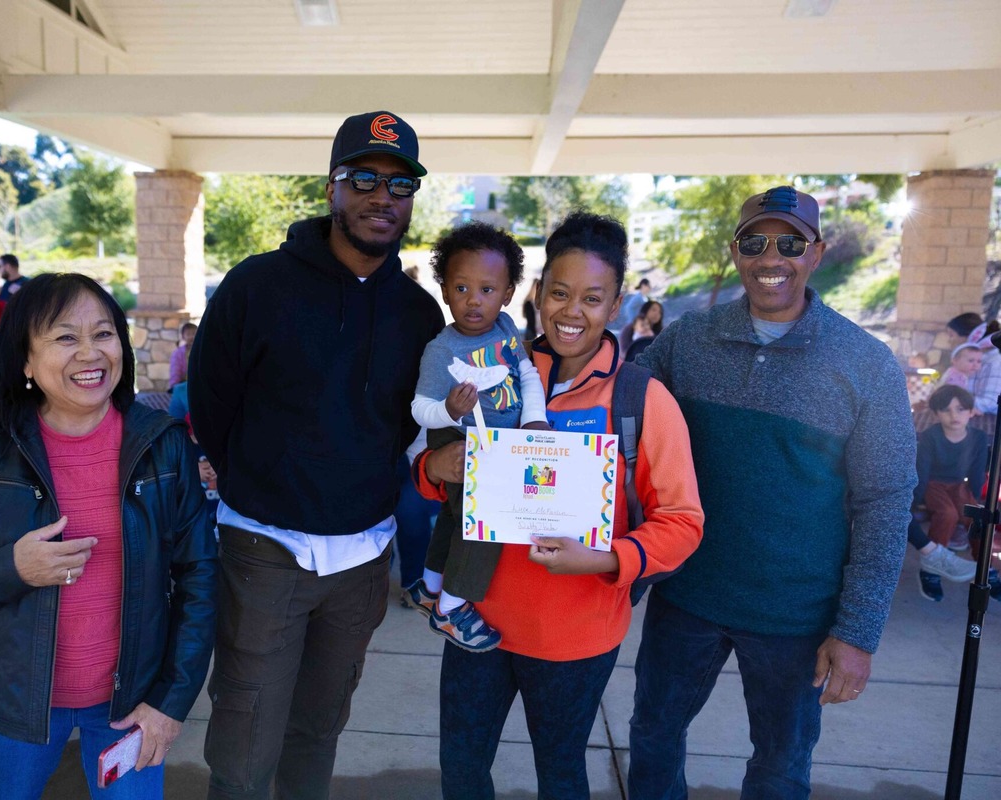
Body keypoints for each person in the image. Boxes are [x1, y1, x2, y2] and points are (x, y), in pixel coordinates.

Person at [628, 185, 917, 800]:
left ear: (815, 252)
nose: (772, 257)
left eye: (791, 243)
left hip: (798, 618)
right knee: (653, 739)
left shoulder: (866, 363)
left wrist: (858, 632)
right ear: (736, 252)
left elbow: (885, 504)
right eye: (755, 242)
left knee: (780, 770)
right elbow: (612, 407)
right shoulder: (688, 340)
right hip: (688, 596)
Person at [190, 109, 444, 800]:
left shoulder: (420, 315)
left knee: (319, 730)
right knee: (244, 744)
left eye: (399, 186)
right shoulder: (257, 285)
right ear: (332, 186)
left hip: (363, 558)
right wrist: (266, 481)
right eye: (364, 178)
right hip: (264, 548)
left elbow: (403, 427)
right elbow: (211, 404)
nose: (381, 197)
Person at [412, 211, 704, 799]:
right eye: (561, 293)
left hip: (575, 638)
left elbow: (683, 523)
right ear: (539, 293)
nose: (573, 312)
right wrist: (431, 469)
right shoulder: (498, 364)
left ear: (617, 302)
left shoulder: (640, 399)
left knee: (562, 779)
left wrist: (604, 560)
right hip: (478, 622)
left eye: (593, 298)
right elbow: (436, 467)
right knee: (462, 774)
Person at [0, 273, 218, 800]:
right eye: (64, 337)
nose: (90, 352)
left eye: (103, 334)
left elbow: (200, 577)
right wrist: (14, 569)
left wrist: (170, 702)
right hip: (13, 702)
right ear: (26, 361)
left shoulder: (164, 446)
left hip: (133, 702)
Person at [402, 221, 549, 652]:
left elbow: (524, 374)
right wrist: (448, 409)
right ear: (444, 290)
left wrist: (534, 420)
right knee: (486, 527)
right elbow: (418, 408)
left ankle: (430, 589)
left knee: (454, 520)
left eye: (487, 290)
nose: (473, 300)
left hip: (500, 442)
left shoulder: (505, 329)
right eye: (462, 288)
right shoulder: (441, 350)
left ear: (506, 295)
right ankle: (451, 610)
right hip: (457, 436)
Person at [908, 384, 985, 601]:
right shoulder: (930, 436)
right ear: (936, 414)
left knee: (976, 518)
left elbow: (977, 471)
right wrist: (917, 502)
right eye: (946, 410)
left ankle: (984, 567)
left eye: (960, 409)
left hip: (959, 485)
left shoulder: (977, 437)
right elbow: (922, 470)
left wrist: (974, 500)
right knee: (947, 514)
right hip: (934, 484)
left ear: (971, 412)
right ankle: (931, 568)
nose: (954, 415)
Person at [168, 321, 196, 388]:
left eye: (194, 333)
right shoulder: (178, 354)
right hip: (183, 384)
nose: (192, 336)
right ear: (183, 336)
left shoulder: (201, 351)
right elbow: (175, 370)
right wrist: (174, 385)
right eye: (188, 334)